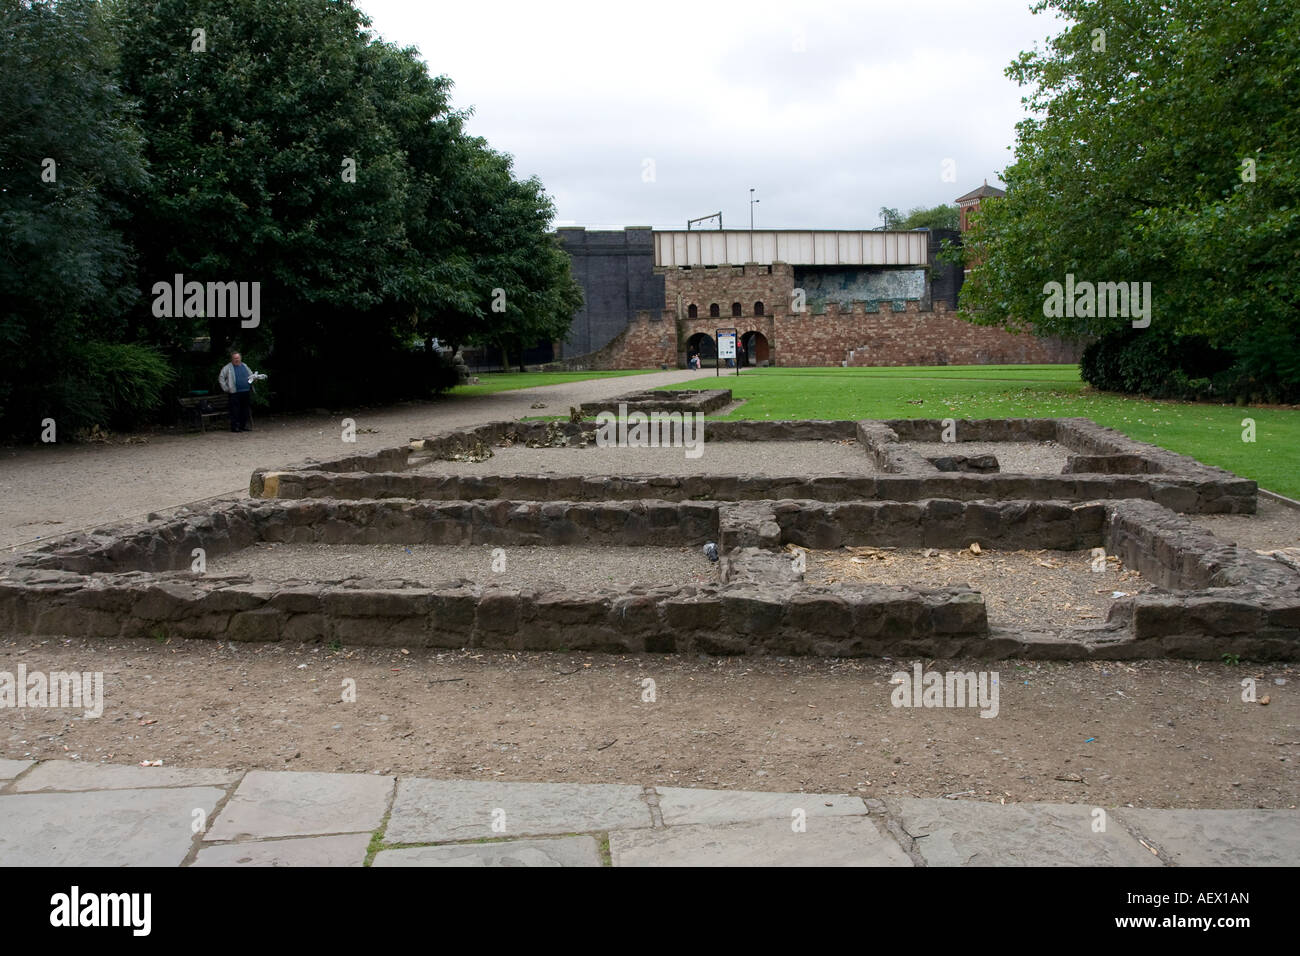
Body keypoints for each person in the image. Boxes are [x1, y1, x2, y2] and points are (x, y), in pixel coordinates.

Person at [218, 351, 259, 432]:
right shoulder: (227, 367)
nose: (236, 359)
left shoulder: (245, 366)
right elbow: (221, 378)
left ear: (240, 358)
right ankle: (235, 427)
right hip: (234, 392)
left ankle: (242, 426)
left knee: (245, 410)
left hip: (246, 391)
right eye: (235, 358)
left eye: (238, 358)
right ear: (232, 359)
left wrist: (255, 378)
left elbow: (251, 375)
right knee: (235, 410)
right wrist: (226, 388)